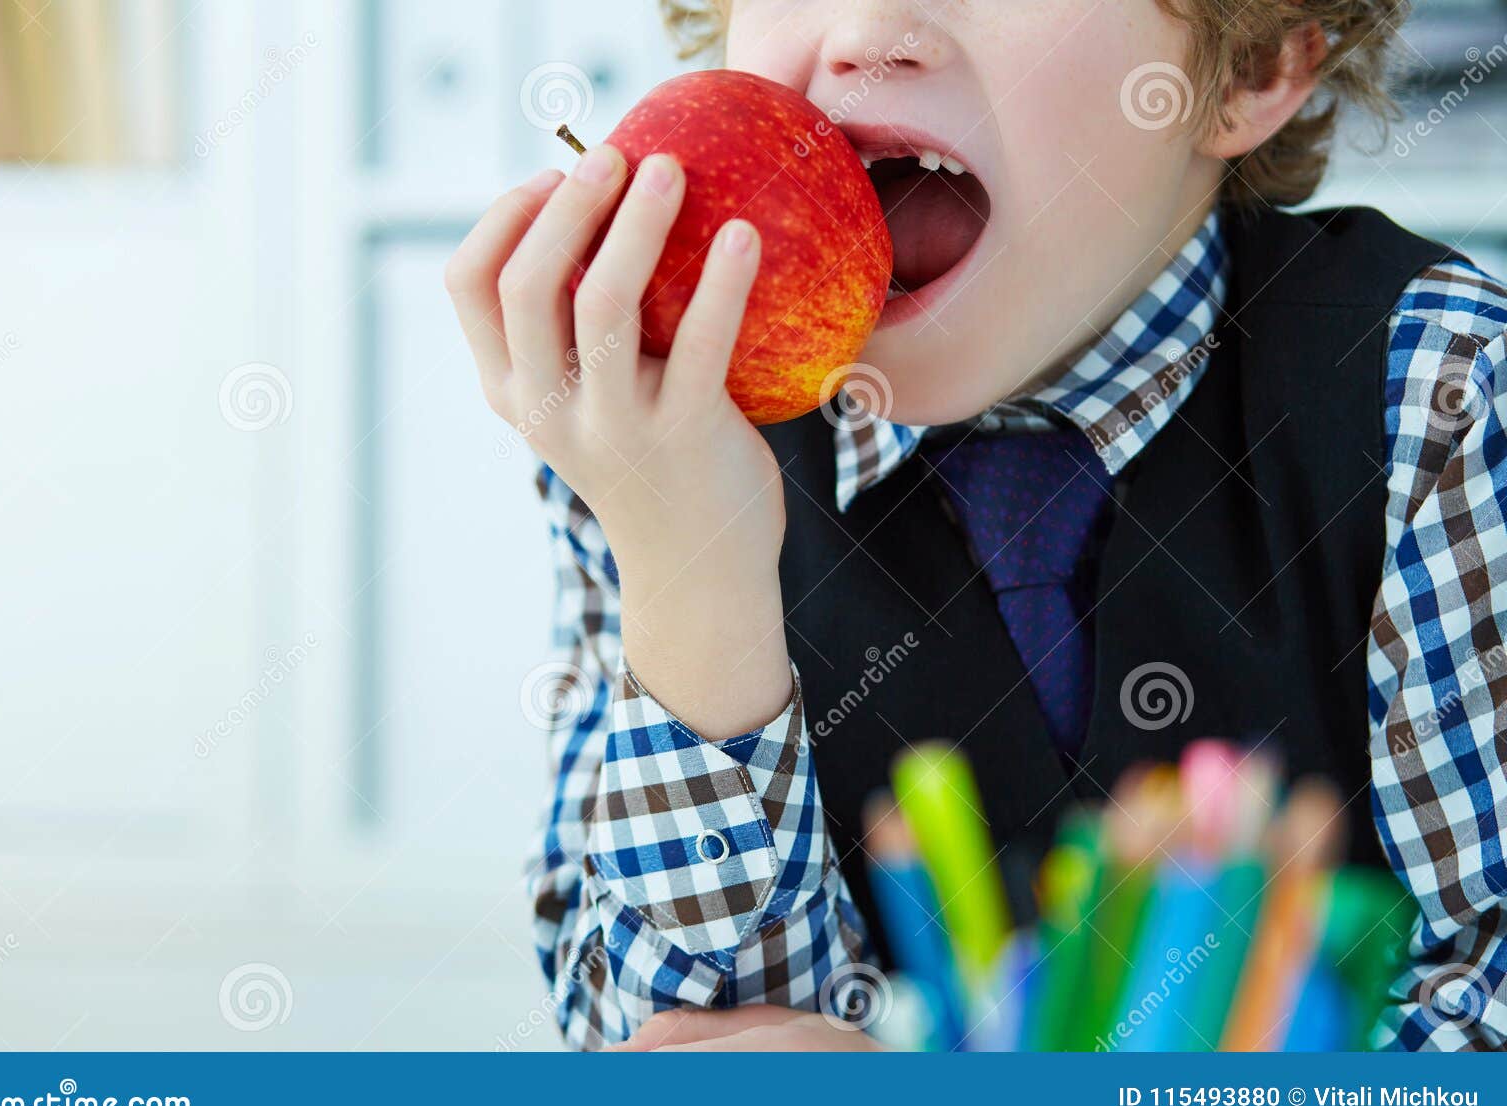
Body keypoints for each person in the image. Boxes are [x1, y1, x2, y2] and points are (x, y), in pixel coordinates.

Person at [444, 0, 1507, 1050]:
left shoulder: (1443, 397)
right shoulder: (646, 428)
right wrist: (691, 579)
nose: (864, 32)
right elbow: (656, 1046)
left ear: (1252, 65)